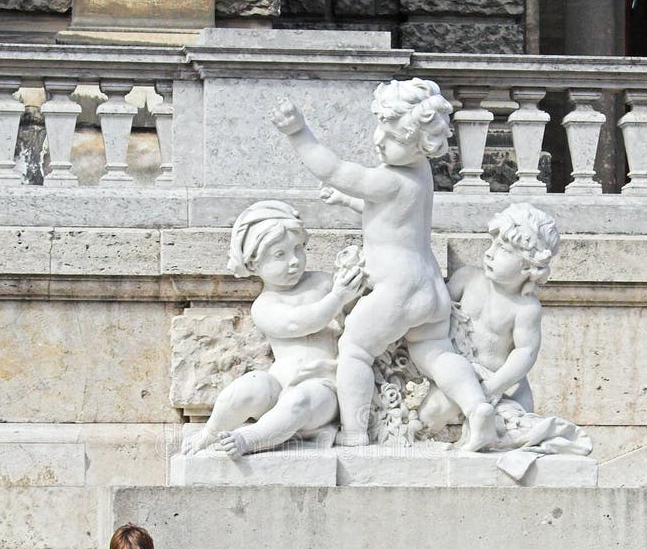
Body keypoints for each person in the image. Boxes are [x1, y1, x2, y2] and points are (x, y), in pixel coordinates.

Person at [273, 78, 498, 451]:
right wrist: (350, 203)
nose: (380, 140)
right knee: (436, 352)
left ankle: (355, 433)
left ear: (419, 144)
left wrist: (300, 134)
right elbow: (394, 217)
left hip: (397, 289)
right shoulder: (420, 173)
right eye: (381, 129)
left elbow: (336, 171)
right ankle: (477, 408)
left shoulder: (387, 180)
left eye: (392, 138)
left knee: (356, 349)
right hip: (429, 288)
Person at [180, 200, 364, 457]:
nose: (294, 261)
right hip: (279, 385)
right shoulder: (264, 306)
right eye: (280, 255)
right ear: (253, 264)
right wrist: (337, 299)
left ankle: (250, 439)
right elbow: (297, 323)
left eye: (298, 249)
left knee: (299, 401)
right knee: (247, 387)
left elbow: (364, 306)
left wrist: (355, 276)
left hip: (323, 388)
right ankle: (209, 433)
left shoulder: (324, 282)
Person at [418, 203, 561, 435]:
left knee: (516, 433)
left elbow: (525, 352)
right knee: (428, 416)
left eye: (503, 249)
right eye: (492, 243)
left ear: (529, 266)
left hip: (504, 386)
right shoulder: (467, 279)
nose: (490, 253)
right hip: (459, 376)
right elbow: (435, 310)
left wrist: (495, 386)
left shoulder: (526, 308)